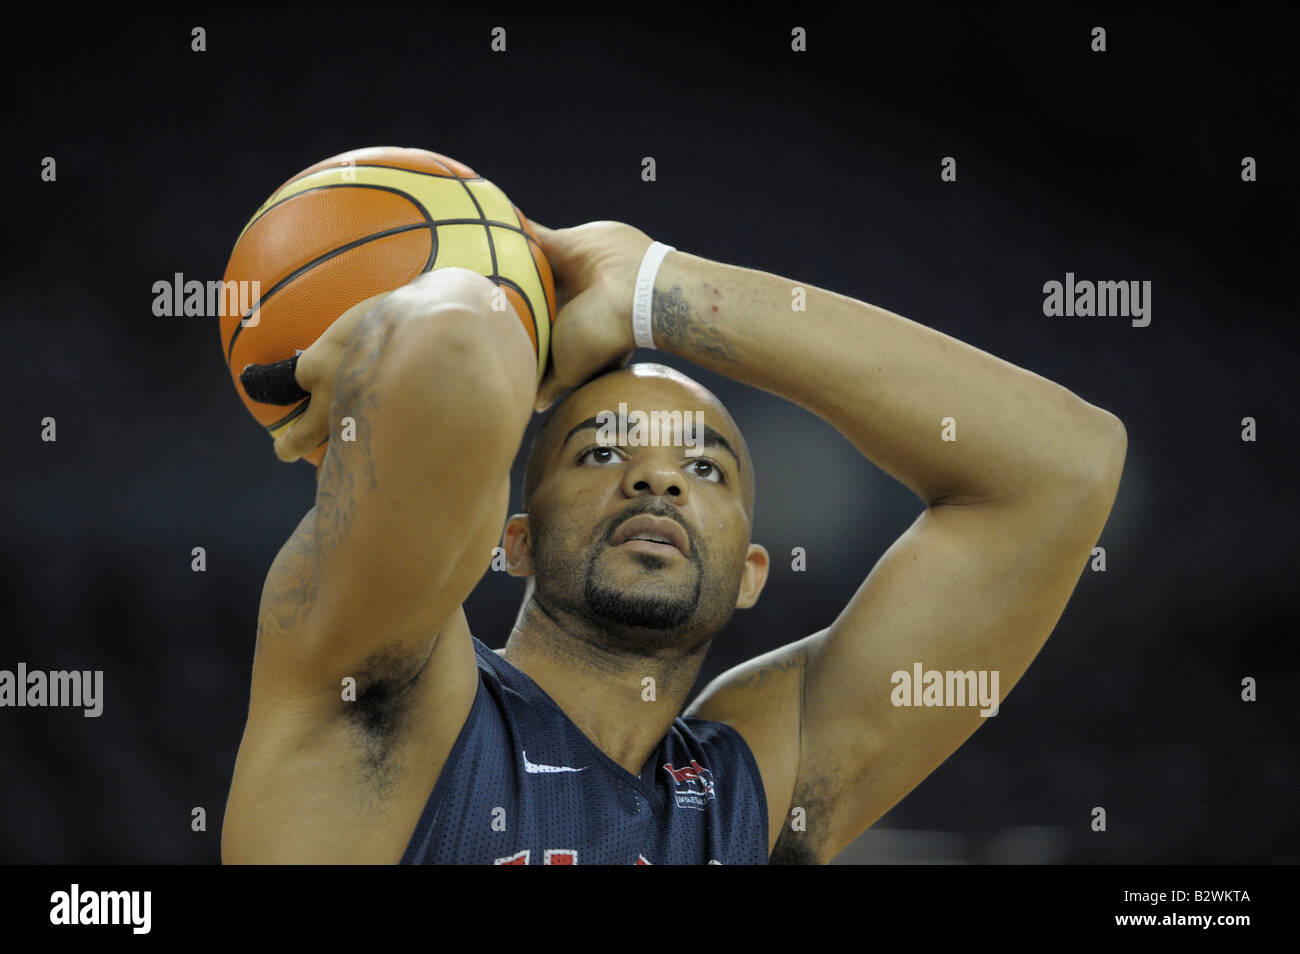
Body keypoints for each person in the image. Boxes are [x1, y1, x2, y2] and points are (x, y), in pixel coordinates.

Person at [221, 221, 1126, 864]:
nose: (658, 481)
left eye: (705, 468)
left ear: (751, 573)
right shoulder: (392, 690)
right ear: (516, 542)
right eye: (601, 452)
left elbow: (1066, 466)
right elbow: (453, 352)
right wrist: (447, 312)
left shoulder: (746, 795)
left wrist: (659, 288)